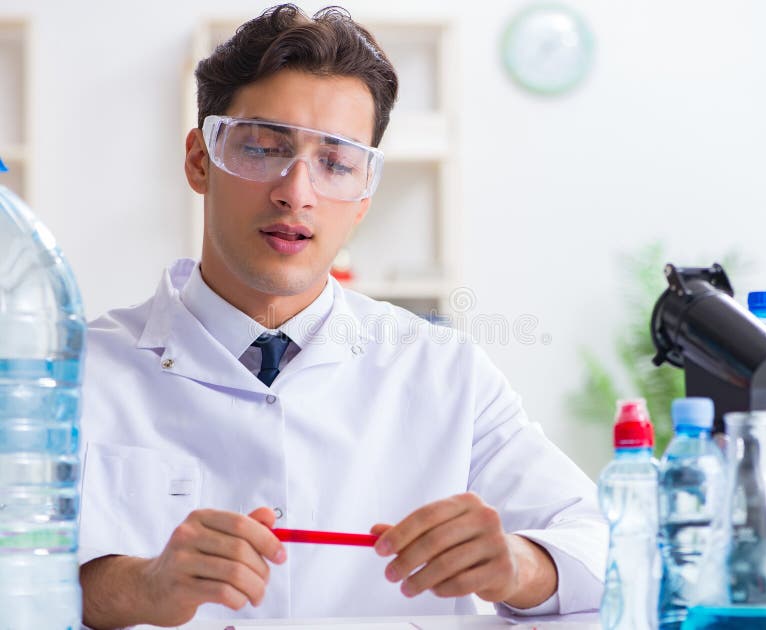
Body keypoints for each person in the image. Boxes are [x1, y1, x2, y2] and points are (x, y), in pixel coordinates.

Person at [77, 5, 606, 629]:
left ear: (363, 196)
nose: (296, 191)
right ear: (200, 160)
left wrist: (517, 565)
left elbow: (602, 544)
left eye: (335, 162)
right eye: (262, 147)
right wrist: (140, 586)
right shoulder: (77, 375)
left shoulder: (445, 372)